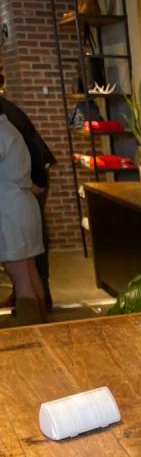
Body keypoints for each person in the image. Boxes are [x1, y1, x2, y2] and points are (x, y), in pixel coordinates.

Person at [0, 95, 56, 311]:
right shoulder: (9, 127)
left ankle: (30, 327)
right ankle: (41, 321)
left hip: (10, 213)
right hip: (23, 207)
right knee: (30, 274)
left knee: (22, 278)